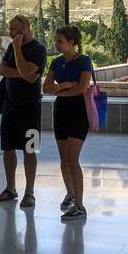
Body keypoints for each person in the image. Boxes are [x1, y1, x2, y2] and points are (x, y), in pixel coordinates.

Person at [0, 15, 47, 208]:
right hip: (9, 104)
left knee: (30, 149)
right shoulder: (10, 47)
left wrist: (17, 50)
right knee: (7, 147)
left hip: (30, 106)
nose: (10, 33)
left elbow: (28, 70)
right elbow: (2, 70)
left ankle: (30, 192)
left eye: (13, 29)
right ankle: (10, 188)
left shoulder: (39, 49)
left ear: (24, 28)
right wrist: (23, 73)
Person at [43, 25, 94, 220]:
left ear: (71, 42)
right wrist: (63, 86)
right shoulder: (56, 62)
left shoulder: (84, 61)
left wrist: (58, 90)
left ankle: (80, 206)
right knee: (64, 159)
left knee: (73, 159)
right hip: (61, 111)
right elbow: (45, 87)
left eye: (60, 41)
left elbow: (82, 88)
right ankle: (70, 194)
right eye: (56, 41)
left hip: (79, 112)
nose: (56, 44)